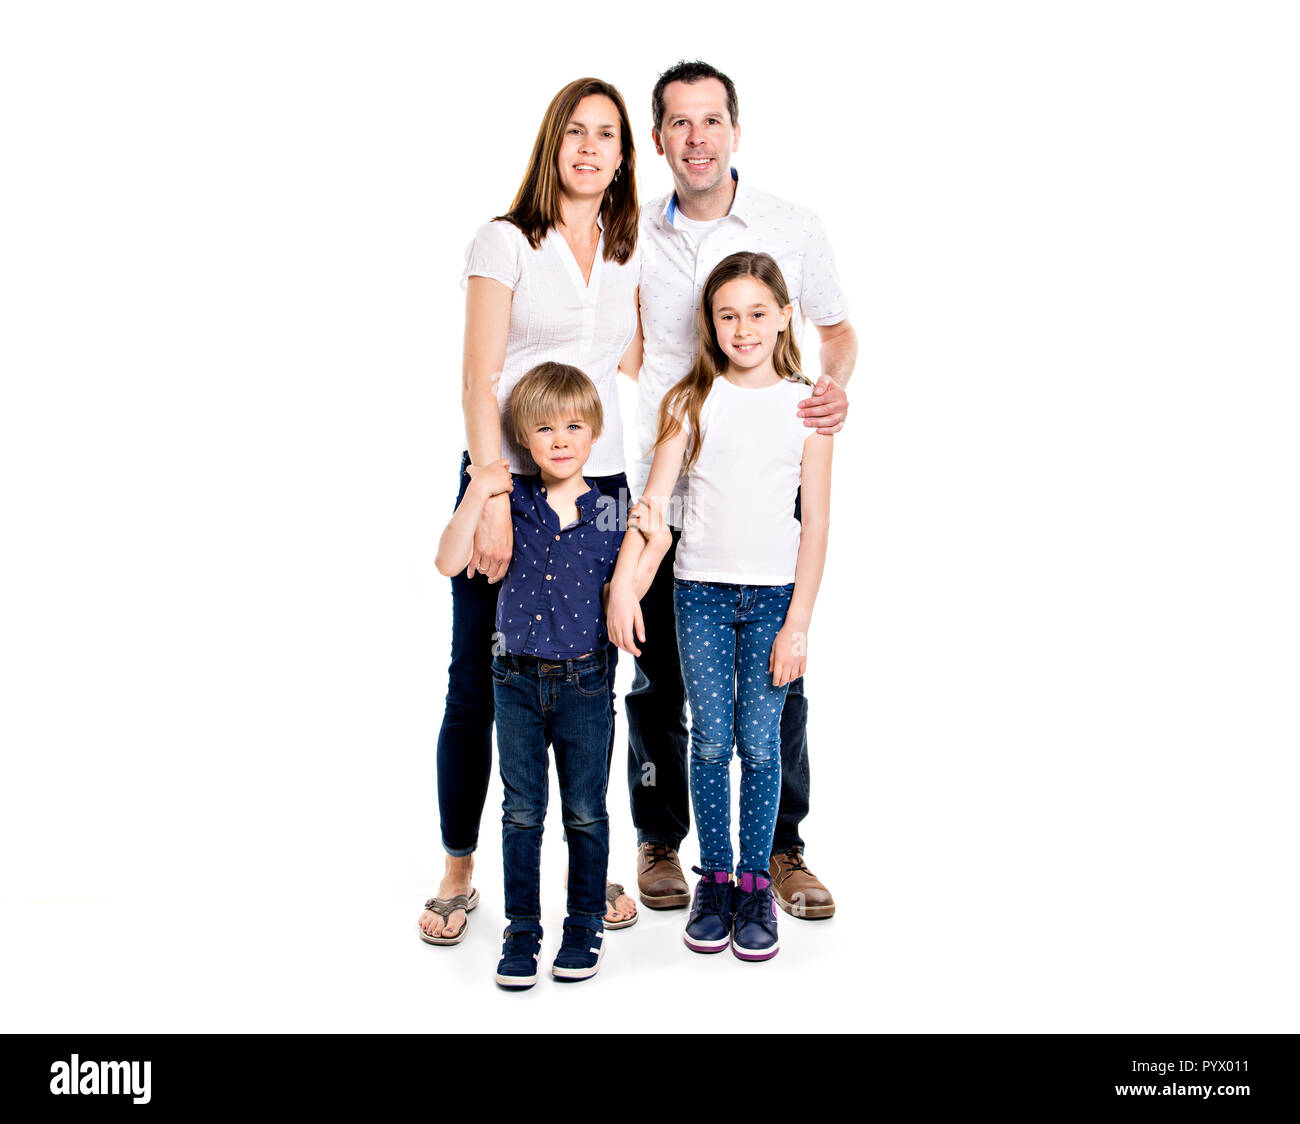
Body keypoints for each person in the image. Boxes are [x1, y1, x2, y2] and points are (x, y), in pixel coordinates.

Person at [627, 61, 857, 918]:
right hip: (662, 479)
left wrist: (831, 389)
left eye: (711, 120)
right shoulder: (632, 232)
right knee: (657, 680)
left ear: (735, 130)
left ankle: (779, 849)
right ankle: (663, 841)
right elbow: (616, 335)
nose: (697, 138)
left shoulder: (793, 227)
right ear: (659, 138)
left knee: (776, 683)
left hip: (762, 484)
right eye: (679, 124)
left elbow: (837, 332)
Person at [419, 78, 642, 946]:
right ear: (553, 145)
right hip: (508, 480)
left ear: (626, 156)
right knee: (478, 677)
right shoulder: (505, 241)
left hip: (604, 490)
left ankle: (590, 861)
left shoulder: (631, 253)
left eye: (608, 136)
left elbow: (649, 360)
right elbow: (480, 379)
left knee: (592, 684)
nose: (591, 149)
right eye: (575, 133)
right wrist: (494, 491)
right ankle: (459, 869)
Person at [609, 252, 832, 961]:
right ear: (710, 321)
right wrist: (626, 584)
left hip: (772, 602)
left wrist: (798, 625)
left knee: (761, 747)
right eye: (728, 314)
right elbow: (655, 509)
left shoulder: (806, 410)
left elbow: (817, 525)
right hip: (698, 594)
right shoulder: (688, 401)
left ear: (784, 316)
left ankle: (758, 882)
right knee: (708, 742)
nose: (743, 328)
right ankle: (719, 880)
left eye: (758, 313)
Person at [436, 364, 647, 986]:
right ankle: (522, 931)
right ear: (523, 438)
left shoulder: (613, 510)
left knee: (585, 810)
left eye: (575, 425)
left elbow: (646, 555)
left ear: (595, 432)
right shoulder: (514, 505)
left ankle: (584, 923)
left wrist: (631, 584)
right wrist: (480, 488)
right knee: (521, 811)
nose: (560, 439)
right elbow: (448, 559)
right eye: (545, 427)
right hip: (516, 683)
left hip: (585, 684)